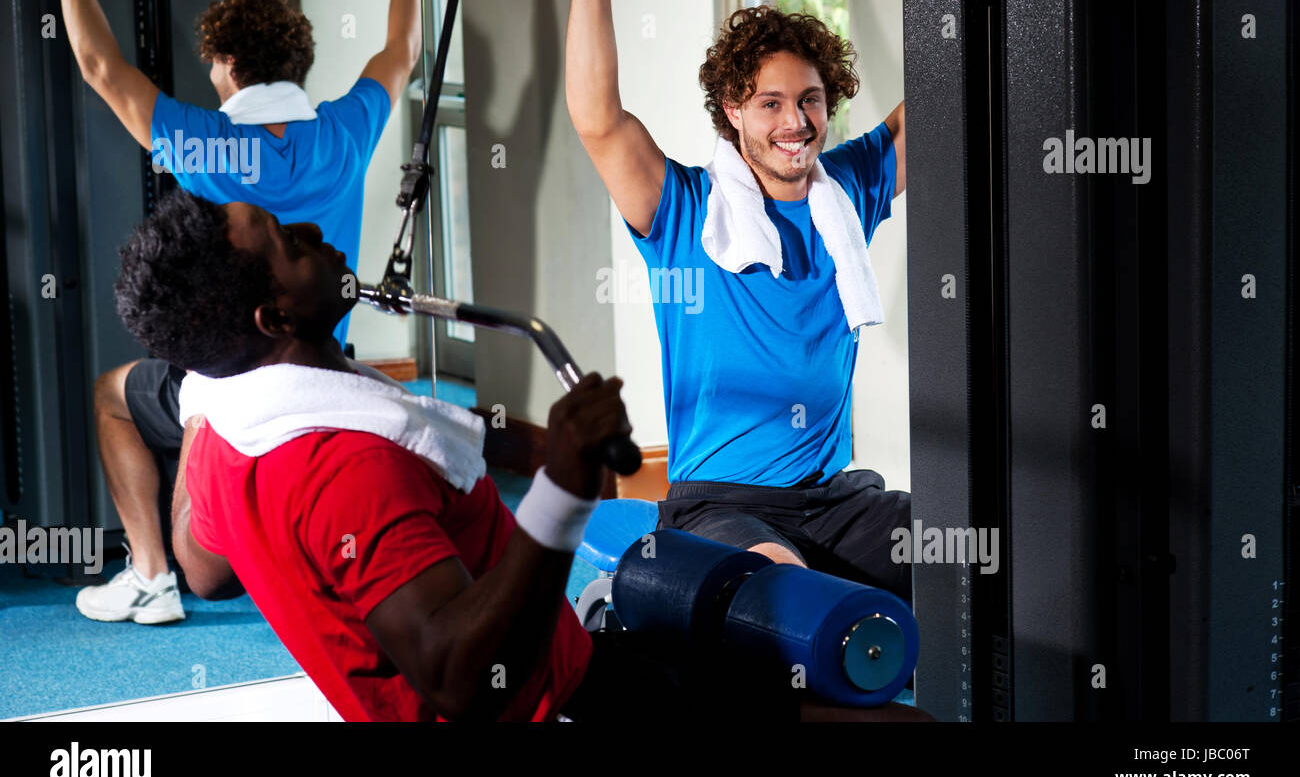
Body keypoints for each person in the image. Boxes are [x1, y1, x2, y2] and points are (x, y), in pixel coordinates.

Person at [113, 192, 929, 722]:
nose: (314, 232)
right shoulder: (347, 471)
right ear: (272, 316)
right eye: (288, 242)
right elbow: (462, 678)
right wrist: (561, 494)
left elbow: (205, 564)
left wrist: (199, 395)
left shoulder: (226, 423)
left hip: (574, 664)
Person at [55, 0, 423, 623]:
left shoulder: (204, 143)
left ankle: (151, 574)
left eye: (215, 66)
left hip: (232, 383)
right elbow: (400, 53)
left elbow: (100, 65)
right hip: (326, 365)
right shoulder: (343, 134)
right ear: (294, 66)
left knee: (110, 393)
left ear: (227, 64)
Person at [562, 0, 910, 598]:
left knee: (975, 541)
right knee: (787, 595)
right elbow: (597, 118)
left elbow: (942, 97)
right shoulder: (683, 209)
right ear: (732, 111)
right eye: (771, 103)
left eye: (810, 99)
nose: (796, 122)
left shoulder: (849, 190)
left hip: (839, 502)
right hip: (719, 506)